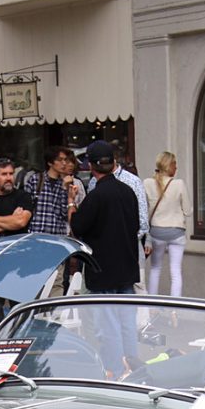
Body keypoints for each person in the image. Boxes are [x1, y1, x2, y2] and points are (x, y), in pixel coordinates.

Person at [70, 140, 141, 376]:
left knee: (108, 327)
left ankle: (115, 370)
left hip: (103, 271)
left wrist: (71, 202)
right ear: (113, 163)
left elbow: (77, 227)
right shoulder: (128, 192)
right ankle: (134, 369)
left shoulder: (97, 196)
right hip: (127, 267)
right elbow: (137, 226)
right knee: (127, 324)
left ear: (91, 166)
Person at [143, 151, 193, 297]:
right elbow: (188, 211)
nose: (176, 167)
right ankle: (175, 307)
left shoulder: (147, 183)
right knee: (176, 271)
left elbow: (143, 209)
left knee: (155, 269)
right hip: (176, 232)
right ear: (169, 165)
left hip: (156, 232)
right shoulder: (179, 184)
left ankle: (151, 305)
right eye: (174, 164)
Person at [25, 146, 81, 237]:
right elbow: (26, 207)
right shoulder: (36, 180)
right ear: (50, 163)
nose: (64, 163)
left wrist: (65, 188)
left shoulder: (67, 183)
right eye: (60, 160)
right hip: (37, 232)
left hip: (58, 234)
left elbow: (65, 214)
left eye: (65, 160)